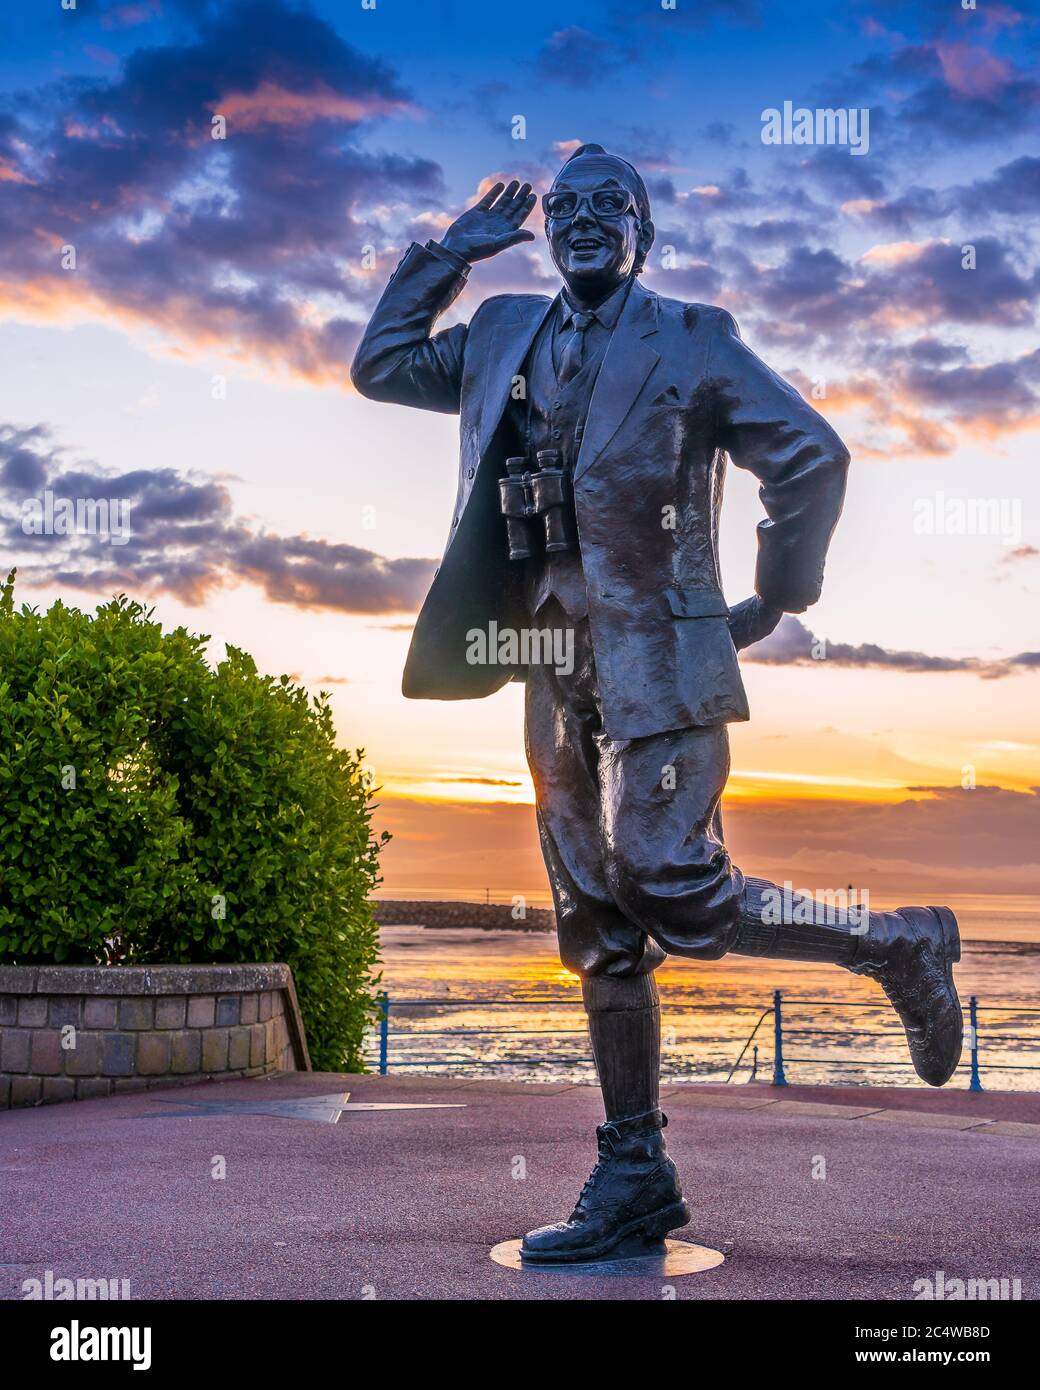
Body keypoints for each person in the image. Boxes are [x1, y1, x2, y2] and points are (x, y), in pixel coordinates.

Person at [351, 144, 962, 1264]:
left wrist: (773, 598)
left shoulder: (693, 340)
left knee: (664, 875)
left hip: (661, 654)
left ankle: (891, 943)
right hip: (541, 652)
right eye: (566, 205)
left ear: (643, 232)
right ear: (543, 229)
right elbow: (380, 367)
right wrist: (448, 257)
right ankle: (634, 1173)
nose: (583, 219)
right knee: (594, 922)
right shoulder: (497, 334)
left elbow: (810, 457)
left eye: (609, 206)